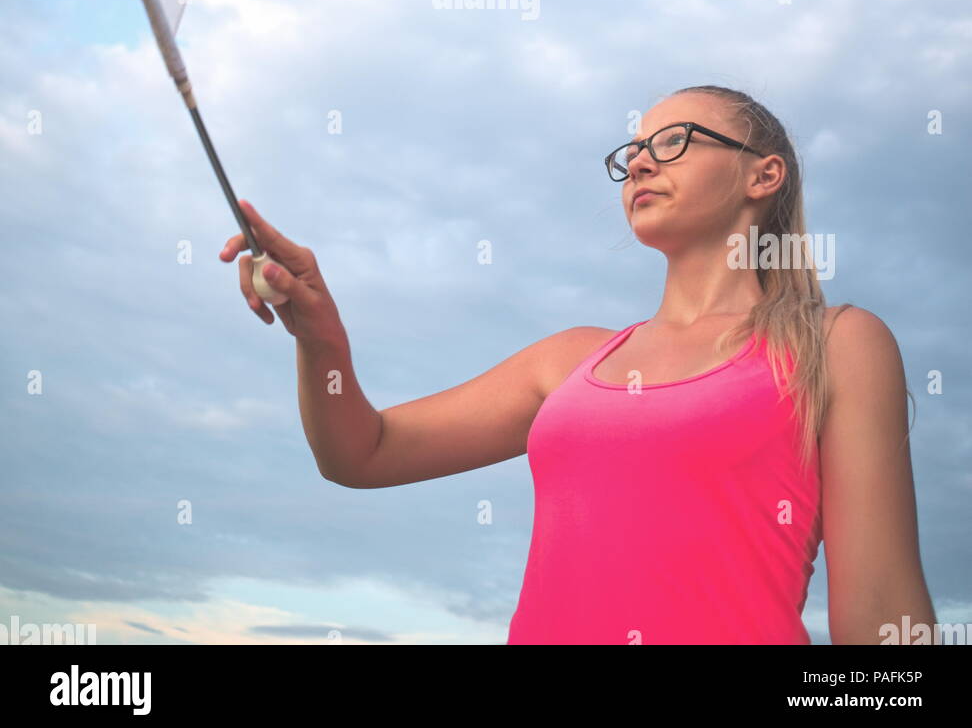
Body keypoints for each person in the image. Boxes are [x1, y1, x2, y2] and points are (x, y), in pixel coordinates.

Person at [219, 83, 937, 645]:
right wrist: (320, 338)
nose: (643, 162)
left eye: (676, 141)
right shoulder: (572, 360)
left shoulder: (836, 343)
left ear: (764, 175)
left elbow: (880, 614)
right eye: (632, 154)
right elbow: (361, 453)